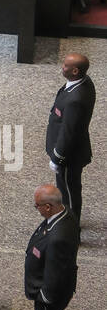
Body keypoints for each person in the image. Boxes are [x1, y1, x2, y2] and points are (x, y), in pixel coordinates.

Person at [45, 52, 96, 222]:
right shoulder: (84, 82)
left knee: (69, 192)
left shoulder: (76, 100)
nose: (62, 67)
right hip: (71, 149)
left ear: (75, 71)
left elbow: (69, 132)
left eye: (66, 65)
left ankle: (72, 228)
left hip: (69, 157)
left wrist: (57, 158)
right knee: (68, 189)